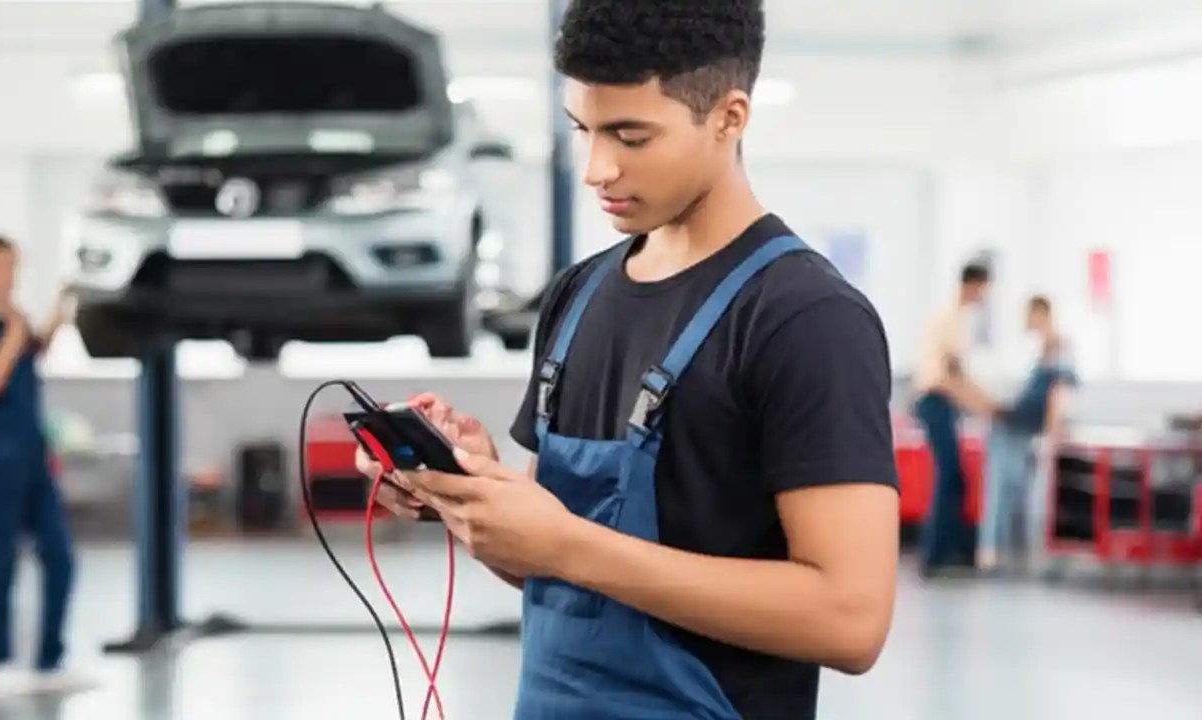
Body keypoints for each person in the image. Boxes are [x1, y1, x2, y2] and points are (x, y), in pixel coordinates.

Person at [359, 2, 900, 718]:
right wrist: (472, 493)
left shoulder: (806, 319)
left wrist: (569, 545)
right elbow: (548, 567)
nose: (597, 168)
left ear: (729, 118)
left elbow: (850, 621)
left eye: (631, 136)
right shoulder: (577, 297)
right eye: (584, 129)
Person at [0, 236, 91, 696]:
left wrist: (60, 305)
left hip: (35, 457)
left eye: (15, 266)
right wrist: (13, 337)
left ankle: (50, 659)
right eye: (2, 266)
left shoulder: (19, 322)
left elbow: (39, 349)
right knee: (0, 562)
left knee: (61, 558)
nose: (10, 275)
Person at [978, 295, 1076, 574]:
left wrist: (1052, 432)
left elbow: (1059, 393)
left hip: (1027, 430)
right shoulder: (1033, 350)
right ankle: (994, 552)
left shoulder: (1058, 348)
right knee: (1003, 491)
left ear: (1043, 314)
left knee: (1019, 494)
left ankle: (1010, 554)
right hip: (1011, 426)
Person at [912, 263, 998, 578]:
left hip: (943, 401)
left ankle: (951, 551)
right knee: (949, 476)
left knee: (956, 478)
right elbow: (953, 375)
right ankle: (933, 555)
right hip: (935, 400)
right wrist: (987, 406)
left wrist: (983, 403)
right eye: (985, 289)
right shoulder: (950, 318)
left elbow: (960, 376)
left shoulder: (954, 317)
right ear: (974, 285)